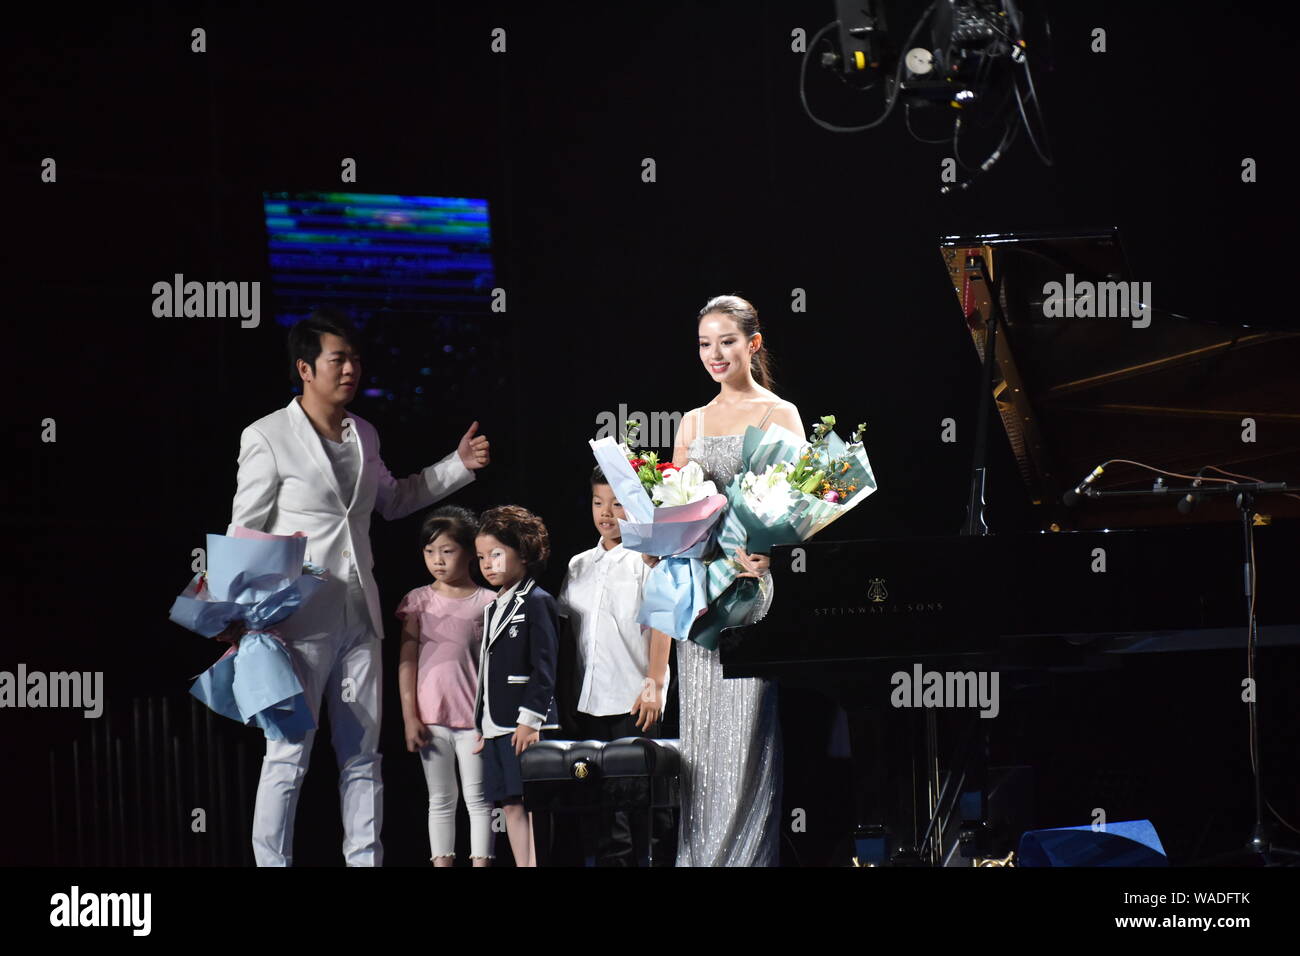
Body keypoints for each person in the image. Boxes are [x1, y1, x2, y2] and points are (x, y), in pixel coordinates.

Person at [227, 309, 490, 866]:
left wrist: (457, 466)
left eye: (355, 359)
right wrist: (239, 613)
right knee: (288, 754)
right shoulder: (268, 435)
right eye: (337, 359)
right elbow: (245, 529)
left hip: (358, 617)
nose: (350, 369)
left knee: (363, 757)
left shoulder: (364, 433)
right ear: (305, 367)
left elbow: (392, 500)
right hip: (291, 622)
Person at [667, 293, 802, 867]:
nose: (715, 354)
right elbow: (674, 509)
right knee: (699, 747)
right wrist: (659, 535)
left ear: (754, 343)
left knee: (745, 745)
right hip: (697, 594)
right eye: (704, 344)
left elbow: (800, 502)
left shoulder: (781, 414)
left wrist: (770, 546)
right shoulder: (692, 420)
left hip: (746, 593)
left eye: (726, 341)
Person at [558, 467, 673, 866]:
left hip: (633, 703)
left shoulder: (648, 560)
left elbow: (662, 623)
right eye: (598, 502)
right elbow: (571, 640)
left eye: (618, 503)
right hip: (587, 706)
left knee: (638, 813)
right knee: (599, 816)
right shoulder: (577, 565)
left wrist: (654, 684)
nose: (606, 513)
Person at [397, 505, 497, 866]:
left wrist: (493, 719)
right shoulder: (418, 601)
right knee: (440, 798)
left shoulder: (488, 602)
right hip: (431, 717)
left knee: (480, 798)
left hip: (475, 719)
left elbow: (496, 667)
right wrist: (410, 717)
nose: (437, 560)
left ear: (469, 552)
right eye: (429, 551)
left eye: (447, 551)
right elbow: (407, 662)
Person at [471, 505, 560, 867]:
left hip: (525, 723)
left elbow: (545, 666)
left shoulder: (537, 601)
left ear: (522, 552)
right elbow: (486, 670)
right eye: (480, 557)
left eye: (496, 554)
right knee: (509, 803)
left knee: (532, 803)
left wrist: (531, 718)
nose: (487, 564)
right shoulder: (493, 607)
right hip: (496, 724)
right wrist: (480, 723)